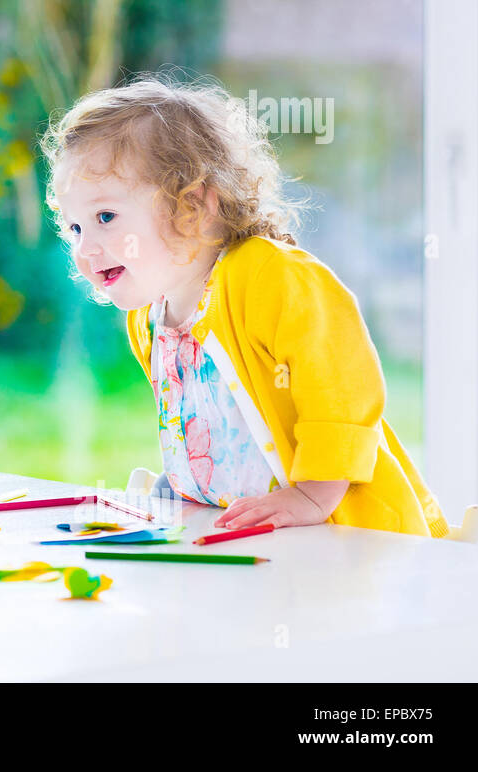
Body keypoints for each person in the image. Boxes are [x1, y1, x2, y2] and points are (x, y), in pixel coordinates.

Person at [42, 75, 448, 537]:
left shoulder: (268, 275)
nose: (84, 248)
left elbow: (342, 381)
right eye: (74, 227)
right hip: (251, 537)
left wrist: (313, 493)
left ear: (193, 206)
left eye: (105, 217)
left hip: (342, 534)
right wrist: (180, 487)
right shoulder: (148, 317)